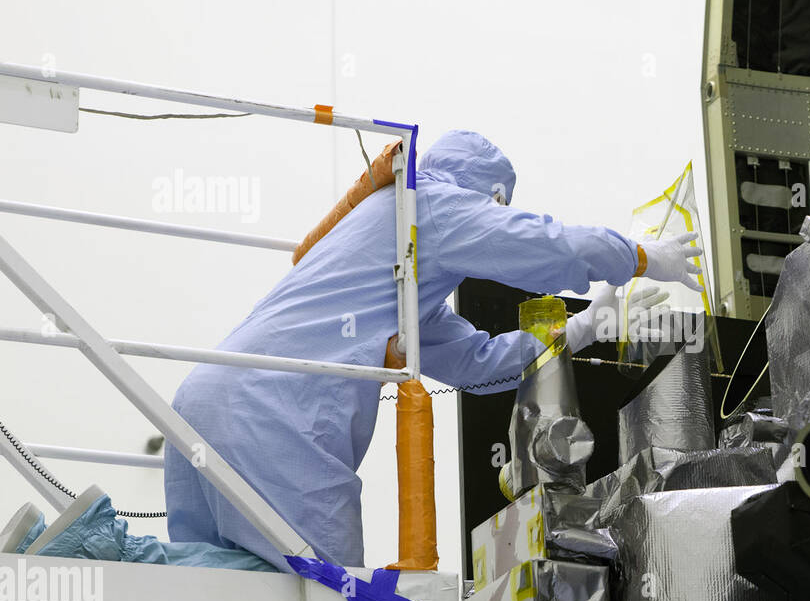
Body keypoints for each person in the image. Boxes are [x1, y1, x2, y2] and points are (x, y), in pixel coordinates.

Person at [162, 129, 703, 571]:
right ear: (487, 194)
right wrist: (640, 257)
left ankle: (104, 547)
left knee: (219, 592)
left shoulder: (396, 259)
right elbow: (540, 242)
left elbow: (480, 368)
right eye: (496, 205)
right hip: (274, 416)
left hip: (204, 402)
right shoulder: (433, 205)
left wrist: (586, 327)